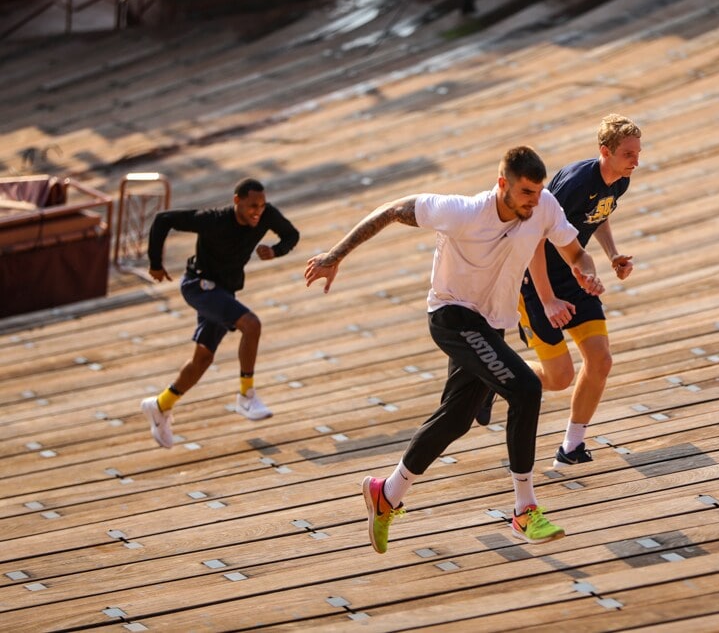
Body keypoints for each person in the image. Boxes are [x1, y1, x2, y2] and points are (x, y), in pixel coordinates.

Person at [304, 146, 604, 553]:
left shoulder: (545, 207)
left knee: (457, 418)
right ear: (503, 185)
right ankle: (524, 508)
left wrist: (586, 272)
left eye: (537, 191)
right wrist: (334, 255)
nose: (534, 201)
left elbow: (575, 252)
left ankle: (386, 493)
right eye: (526, 193)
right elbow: (393, 209)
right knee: (525, 389)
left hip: (492, 325)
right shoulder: (462, 212)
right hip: (453, 316)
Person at [480, 114, 640, 469]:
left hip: (573, 273)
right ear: (605, 152)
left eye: (637, 152)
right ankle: (492, 377)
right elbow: (536, 235)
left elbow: (597, 215)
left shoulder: (619, 180)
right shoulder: (576, 183)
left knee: (601, 360)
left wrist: (612, 255)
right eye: (629, 154)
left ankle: (572, 446)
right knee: (559, 378)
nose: (636, 160)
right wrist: (548, 298)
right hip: (535, 281)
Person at [140, 178, 300, 449]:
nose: (257, 212)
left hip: (224, 293)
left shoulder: (266, 214)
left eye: (261, 205)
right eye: (252, 206)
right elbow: (163, 219)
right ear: (236, 201)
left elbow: (291, 235)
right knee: (251, 324)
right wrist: (155, 262)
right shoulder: (213, 220)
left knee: (202, 358)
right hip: (198, 286)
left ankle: (159, 405)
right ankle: (246, 395)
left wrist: (275, 250)